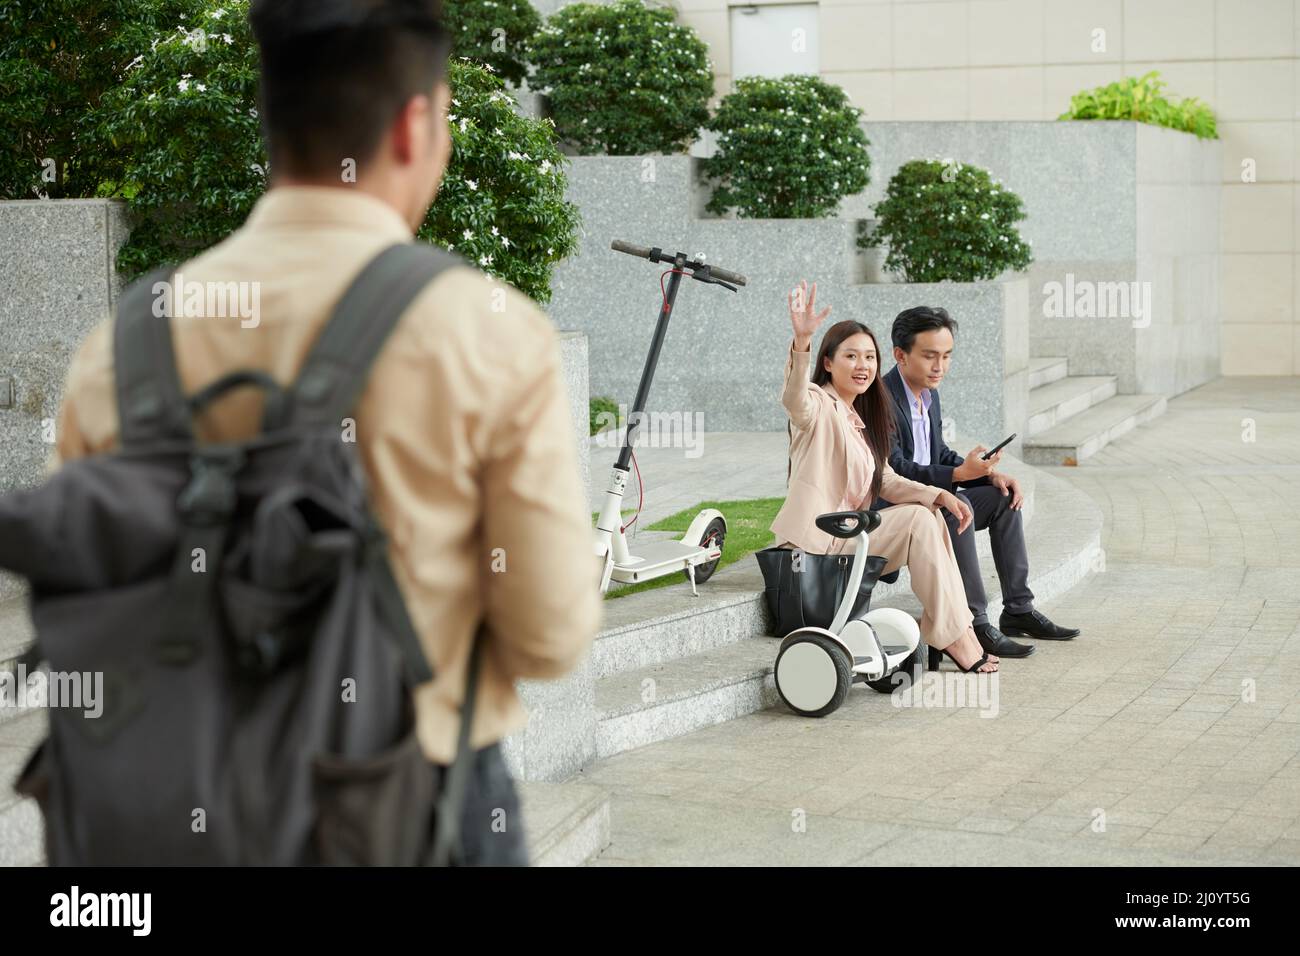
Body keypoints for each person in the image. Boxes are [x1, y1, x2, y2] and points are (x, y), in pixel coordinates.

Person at [49, 0, 601, 865]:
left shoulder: (119, 347)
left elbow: (86, 598)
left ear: (271, 118)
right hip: (409, 799)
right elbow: (549, 632)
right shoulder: (483, 329)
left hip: (170, 804)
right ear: (417, 125)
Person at [771, 281, 998, 674]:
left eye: (870, 357)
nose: (863, 366)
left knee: (925, 514)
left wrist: (940, 495)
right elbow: (794, 400)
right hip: (813, 545)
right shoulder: (817, 407)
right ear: (828, 362)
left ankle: (959, 632)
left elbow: (886, 479)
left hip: (846, 537)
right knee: (915, 520)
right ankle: (957, 636)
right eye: (851, 356)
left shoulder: (862, 416)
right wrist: (802, 341)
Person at [875, 306, 1080, 652]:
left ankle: (1018, 608)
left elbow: (937, 453)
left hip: (933, 498)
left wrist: (986, 473)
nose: (940, 366)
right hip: (897, 509)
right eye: (929, 356)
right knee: (959, 508)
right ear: (900, 354)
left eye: (946, 356)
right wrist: (957, 476)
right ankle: (974, 622)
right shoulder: (880, 400)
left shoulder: (928, 393)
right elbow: (893, 470)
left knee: (1003, 497)